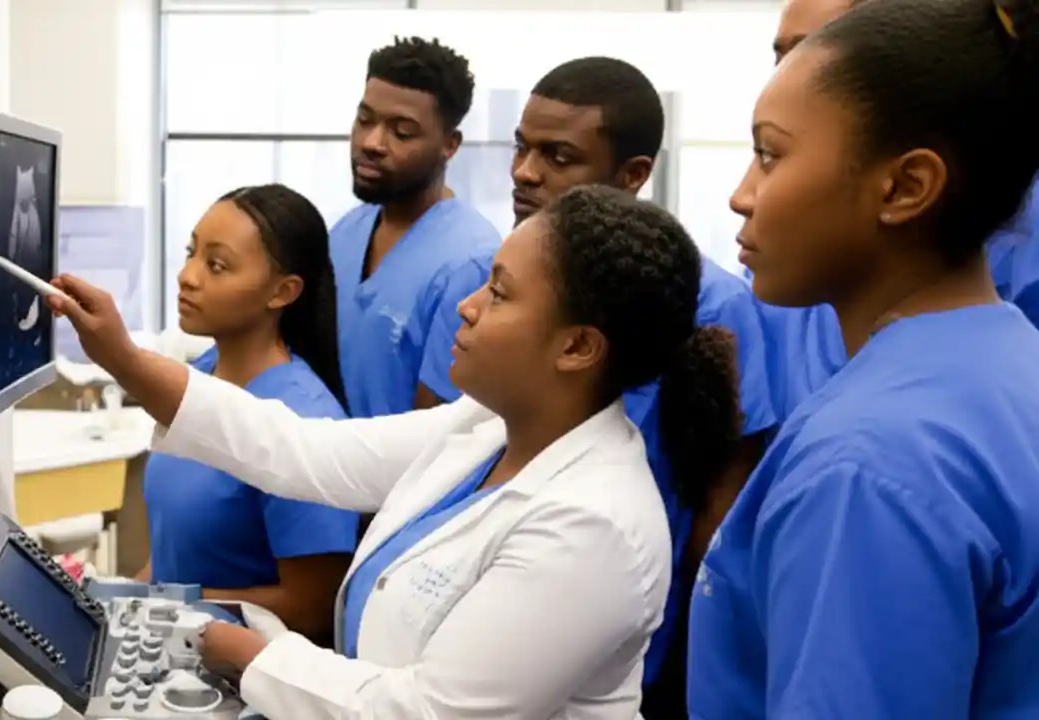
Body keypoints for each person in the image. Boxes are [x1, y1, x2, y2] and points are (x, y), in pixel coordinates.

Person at [49, 185, 741, 719]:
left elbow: (430, 712)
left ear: (577, 346)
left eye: (499, 293)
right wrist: (125, 359)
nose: (467, 306)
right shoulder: (485, 428)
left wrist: (258, 659)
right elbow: (305, 452)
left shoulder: (595, 525)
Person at [691, 0, 1039, 717]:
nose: (740, 196)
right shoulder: (1008, 365)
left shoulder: (866, 465)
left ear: (906, 187)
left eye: (770, 154)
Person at [417, 57, 777, 711]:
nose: (526, 172)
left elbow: (721, 512)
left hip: (623, 631)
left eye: (557, 156)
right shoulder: (483, 281)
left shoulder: (711, 306)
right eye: (521, 147)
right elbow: (439, 451)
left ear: (633, 174)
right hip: (466, 596)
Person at [759, 0, 1039, 419]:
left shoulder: (871, 448)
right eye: (779, 53)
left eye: (808, 49)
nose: (786, 70)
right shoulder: (797, 260)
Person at [137, 185, 358, 643]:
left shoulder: (307, 422)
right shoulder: (199, 377)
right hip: (173, 643)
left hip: (241, 672)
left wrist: (175, 605)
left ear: (283, 292)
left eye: (216, 265)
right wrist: (120, 598)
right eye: (191, 253)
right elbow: (174, 550)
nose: (188, 276)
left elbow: (311, 609)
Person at [330, 36, 501, 418]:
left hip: (395, 476)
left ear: (449, 145)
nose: (372, 142)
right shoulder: (346, 231)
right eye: (365, 120)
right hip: (315, 464)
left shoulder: (471, 263)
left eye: (402, 132)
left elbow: (439, 433)